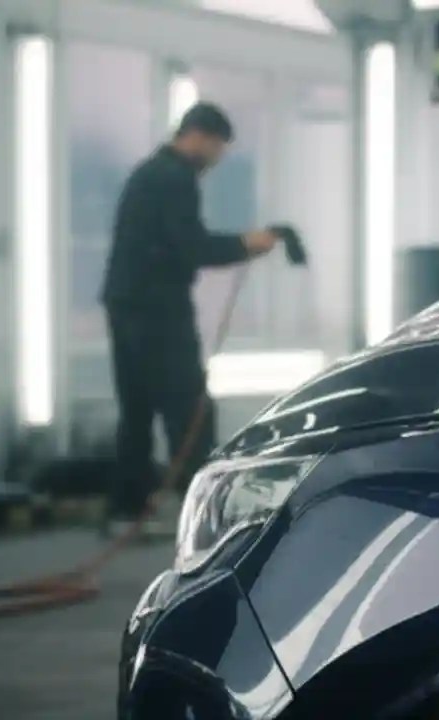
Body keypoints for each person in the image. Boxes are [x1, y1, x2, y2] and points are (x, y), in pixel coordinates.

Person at [101, 102, 278, 535]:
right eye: (217, 150)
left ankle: (126, 510)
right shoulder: (176, 178)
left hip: (125, 304)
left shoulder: (148, 173)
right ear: (199, 137)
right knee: (190, 410)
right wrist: (245, 244)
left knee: (137, 410)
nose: (216, 161)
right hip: (158, 311)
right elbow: (192, 247)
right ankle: (202, 516)